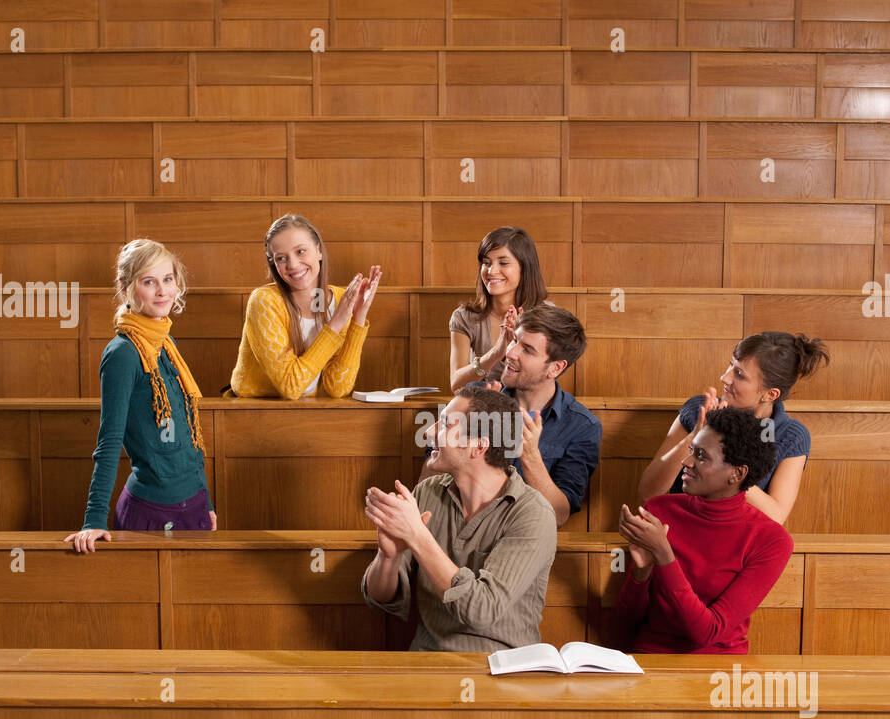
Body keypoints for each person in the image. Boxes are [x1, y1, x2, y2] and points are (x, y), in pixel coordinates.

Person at [362, 386, 557, 653]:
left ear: (478, 446)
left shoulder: (532, 513)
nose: (430, 433)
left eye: (444, 424)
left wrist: (418, 537)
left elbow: (482, 610)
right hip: (428, 664)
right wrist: (388, 556)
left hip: (505, 671)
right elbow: (380, 599)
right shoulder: (428, 491)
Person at [66, 239, 213, 553]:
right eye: (149, 282)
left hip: (195, 508)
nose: (162, 291)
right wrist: (94, 519)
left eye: (168, 279)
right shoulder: (122, 353)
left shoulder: (165, 342)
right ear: (126, 288)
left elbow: (189, 434)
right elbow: (108, 440)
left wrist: (206, 499)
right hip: (151, 514)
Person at [618, 406, 793, 655]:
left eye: (700, 455)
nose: (686, 462)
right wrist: (641, 573)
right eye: (691, 451)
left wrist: (664, 555)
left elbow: (706, 632)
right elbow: (627, 621)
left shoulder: (771, 540)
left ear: (737, 473)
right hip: (650, 660)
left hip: (719, 670)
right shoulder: (659, 510)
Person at [432, 303, 600, 525]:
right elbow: (429, 484)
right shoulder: (475, 397)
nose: (510, 353)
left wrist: (529, 454)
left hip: (524, 536)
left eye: (527, 349)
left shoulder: (582, 425)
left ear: (556, 368)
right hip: (456, 525)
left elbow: (558, 515)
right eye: (514, 340)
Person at [638, 332, 829, 525]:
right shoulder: (699, 409)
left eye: (739, 374)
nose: (725, 377)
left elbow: (775, 517)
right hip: (679, 531)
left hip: (738, 545)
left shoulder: (790, 434)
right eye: (731, 365)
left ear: (770, 394)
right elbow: (649, 493)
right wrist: (696, 436)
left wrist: (728, 462)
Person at [226, 213, 380, 399]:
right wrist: (335, 325)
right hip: (251, 409)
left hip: (306, 410)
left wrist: (358, 319)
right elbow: (290, 386)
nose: (293, 264)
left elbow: (337, 388)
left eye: (300, 251)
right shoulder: (264, 302)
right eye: (281, 258)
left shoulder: (341, 301)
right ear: (274, 264)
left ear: (319, 251)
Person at [448, 226, 549, 391]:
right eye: (486, 263)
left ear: (525, 268)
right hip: (479, 410)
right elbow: (456, 383)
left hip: (527, 411)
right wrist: (497, 351)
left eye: (503, 263)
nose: (491, 271)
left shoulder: (546, 316)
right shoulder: (464, 317)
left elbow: (545, 382)